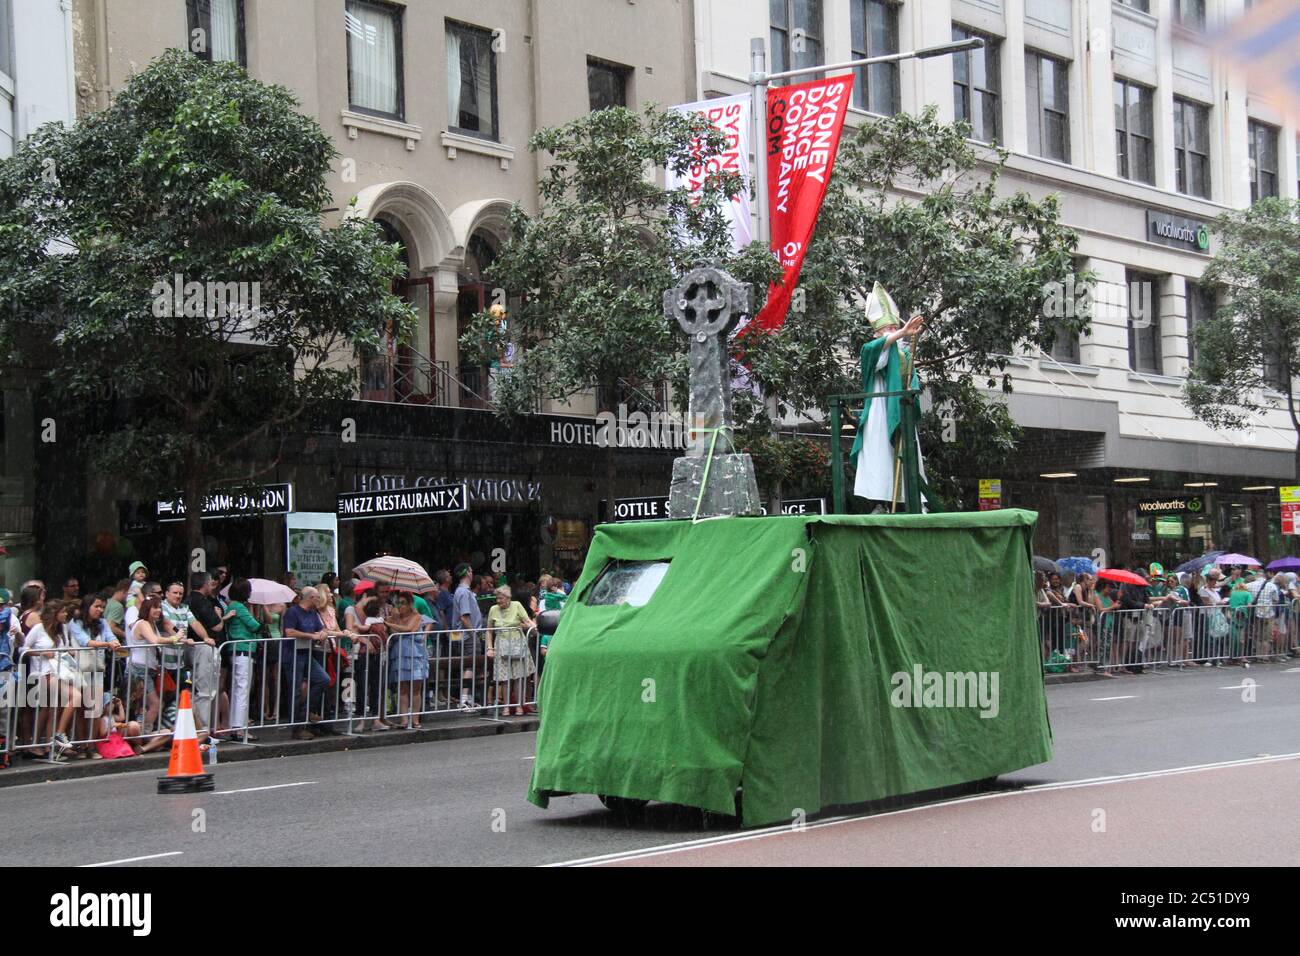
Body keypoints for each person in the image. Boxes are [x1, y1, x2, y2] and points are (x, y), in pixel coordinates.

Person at [850, 282, 927, 510]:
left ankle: (913, 504)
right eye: (887, 330)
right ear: (877, 333)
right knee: (877, 455)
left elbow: (909, 382)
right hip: (879, 410)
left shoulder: (903, 354)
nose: (891, 333)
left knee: (905, 454)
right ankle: (879, 503)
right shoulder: (871, 350)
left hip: (899, 410)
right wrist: (902, 332)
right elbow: (877, 352)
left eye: (894, 328)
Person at [161, 581, 215, 739]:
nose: (178, 596)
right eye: (175, 593)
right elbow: (168, 625)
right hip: (164, 662)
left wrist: (206, 637)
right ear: (166, 593)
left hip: (179, 662)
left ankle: (195, 733)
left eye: (180, 593)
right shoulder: (162, 607)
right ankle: (165, 734)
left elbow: (195, 623)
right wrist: (183, 638)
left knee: (185, 696)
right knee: (165, 700)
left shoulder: (184, 608)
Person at [281, 587, 330, 739]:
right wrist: (311, 636)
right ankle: (296, 727)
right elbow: (289, 632)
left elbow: (322, 629)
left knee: (323, 679)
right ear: (310, 598)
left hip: (307, 654)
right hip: (293, 654)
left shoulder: (313, 613)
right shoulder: (293, 612)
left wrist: (322, 633)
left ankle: (305, 712)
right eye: (316, 597)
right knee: (295, 690)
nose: (319, 600)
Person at [486, 586, 537, 717]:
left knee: (519, 676)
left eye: (501, 598)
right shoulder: (493, 609)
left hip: (517, 644)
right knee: (505, 678)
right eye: (497, 598)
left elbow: (527, 620)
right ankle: (506, 707)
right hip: (501, 645)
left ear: (508, 598)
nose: (498, 601)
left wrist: (536, 629)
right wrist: (489, 648)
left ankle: (519, 705)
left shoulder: (517, 605)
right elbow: (489, 630)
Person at [222, 578, 261, 740]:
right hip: (243, 649)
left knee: (238, 687)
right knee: (242, 688)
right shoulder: (239, 607)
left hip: (235, 649)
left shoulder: (231, 606)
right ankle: (239, 727)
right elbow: (254, 625)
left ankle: (235, 725)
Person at [386, 592, 429, 728]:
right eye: (398, 603)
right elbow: (392, 633)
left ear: (410, 604)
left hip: (415, 653)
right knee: (402, 688)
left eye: (403, 603)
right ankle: (404, 719)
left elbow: (409, 629)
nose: (400, 606)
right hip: (400, 654)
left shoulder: (417, 616)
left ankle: (415, 718)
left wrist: (389, 623)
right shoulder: (395, 617)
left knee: (416, 688)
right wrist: (392, 619)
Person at [451, 564, 484, 713]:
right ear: (467, 573)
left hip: (464, 634)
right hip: (467, 634)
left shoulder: (463, 591)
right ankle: (464, 699)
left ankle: (468, 698)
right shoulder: (463, 592)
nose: (472, 572)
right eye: (471, 570)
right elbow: (464, 617)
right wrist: (474, 633)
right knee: (470, 665)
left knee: (470, 665)